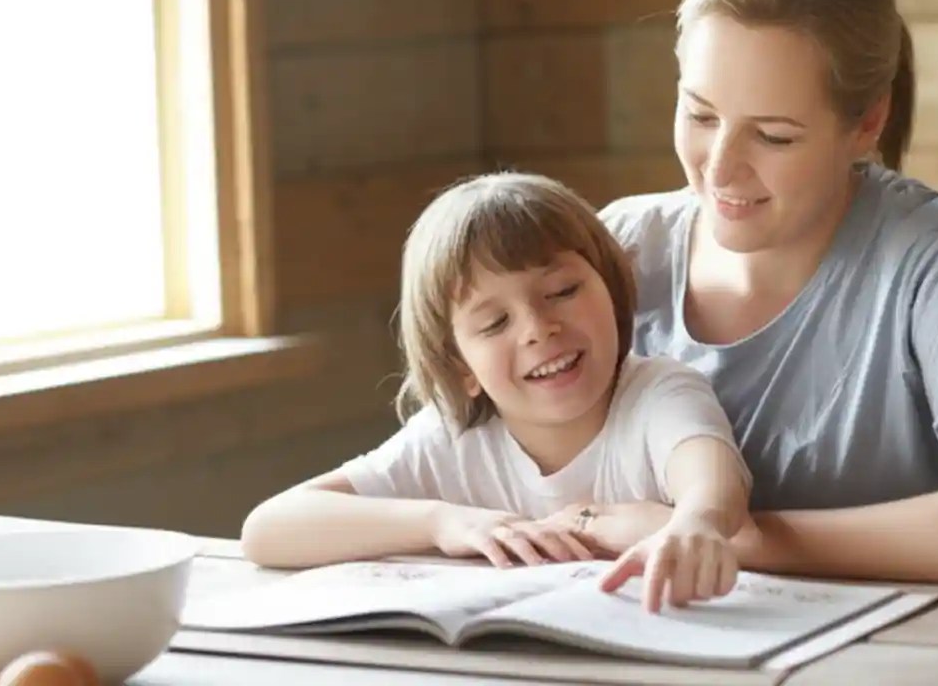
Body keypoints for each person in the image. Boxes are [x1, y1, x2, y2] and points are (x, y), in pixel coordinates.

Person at [582, 0, 938, 588]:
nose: (722, 168)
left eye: (773, 136)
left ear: (868, 123)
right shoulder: (616, 250)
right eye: (701, 115)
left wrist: (726, 537)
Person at [242, 172, 753, 612]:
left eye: (562, 293)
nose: (537, 327)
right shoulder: (455, 436)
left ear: (615, 292)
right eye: (494, 323)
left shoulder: (657, 392)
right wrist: (441, 521)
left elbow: (712, 477)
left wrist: (697, 523)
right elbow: (269, 529)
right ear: (460, 364)